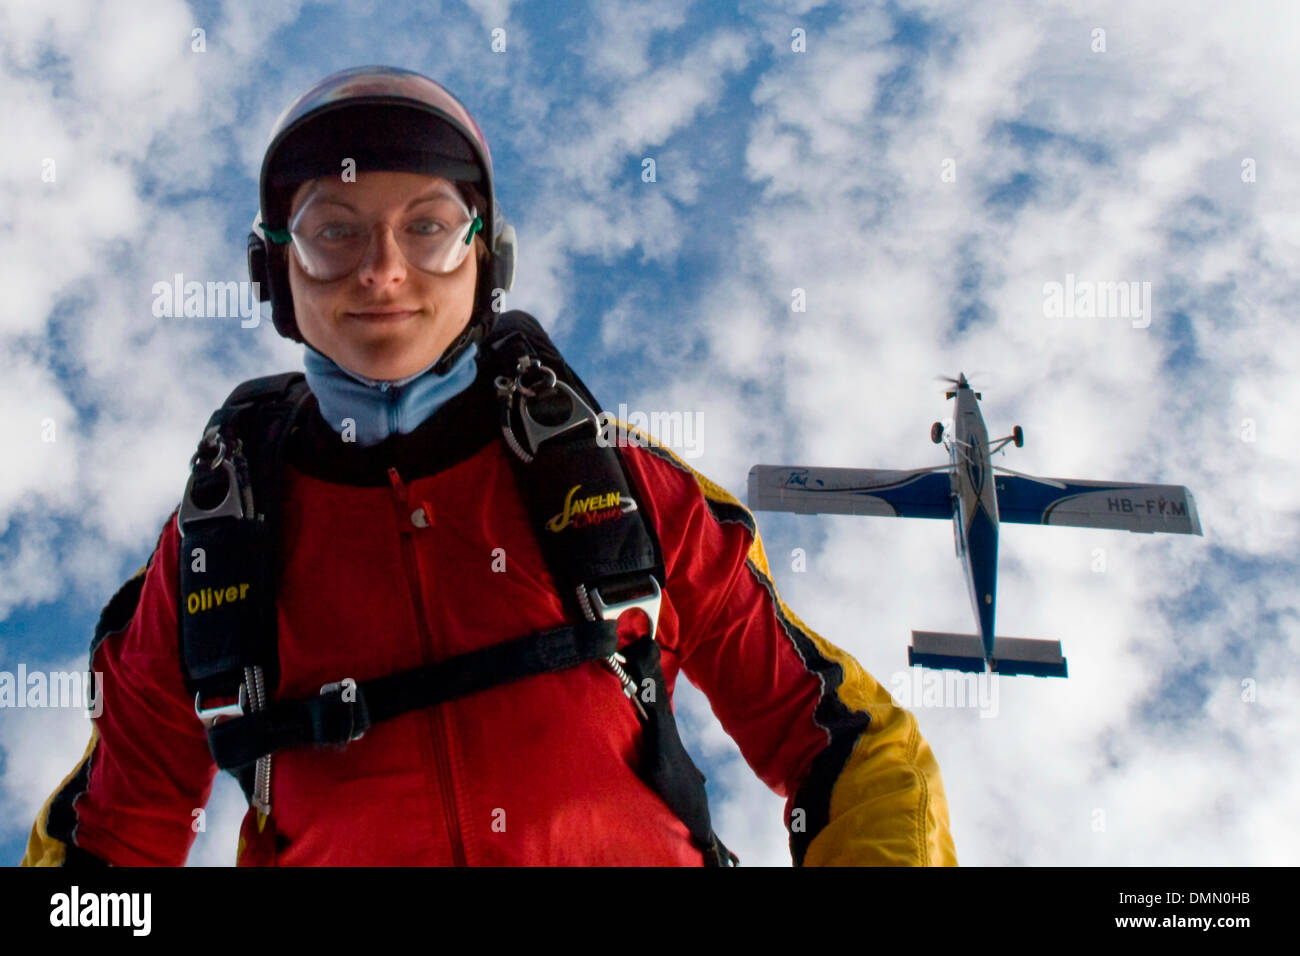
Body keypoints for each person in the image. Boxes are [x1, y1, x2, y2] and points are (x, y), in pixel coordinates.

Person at [21, 66, 957, 867]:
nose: (382, 272)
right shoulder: (212, 554)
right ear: (274, 273)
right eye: (331, 230)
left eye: (427, 227)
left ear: (486, 259)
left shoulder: (620, 483)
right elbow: (109, 845)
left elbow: (848, 745)